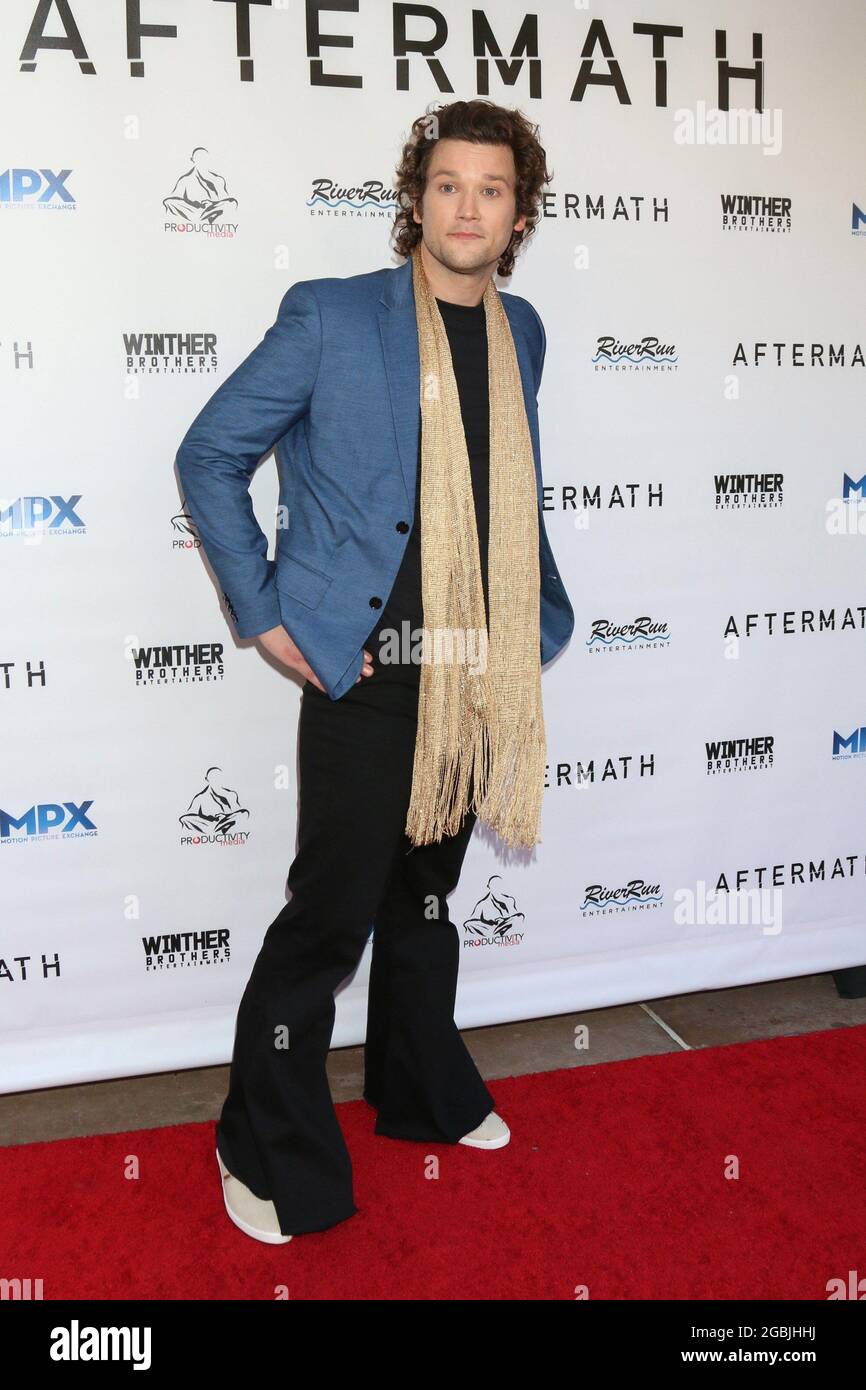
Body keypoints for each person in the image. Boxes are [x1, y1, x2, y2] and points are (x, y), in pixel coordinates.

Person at [175, 97, 575, 1243]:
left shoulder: (523, 329)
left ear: (516, 214)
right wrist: (261, 611)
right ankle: (258, 1138)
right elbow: (210, 454)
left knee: (425, 901)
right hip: (364, 666)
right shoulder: (331, 317)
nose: (467, 206)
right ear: (414, 198)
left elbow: (506, 485)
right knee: (330, 918)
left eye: (491, 190)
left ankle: (417, 1088)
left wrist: (527, 622)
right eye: (448, 183)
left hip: (476, 665)